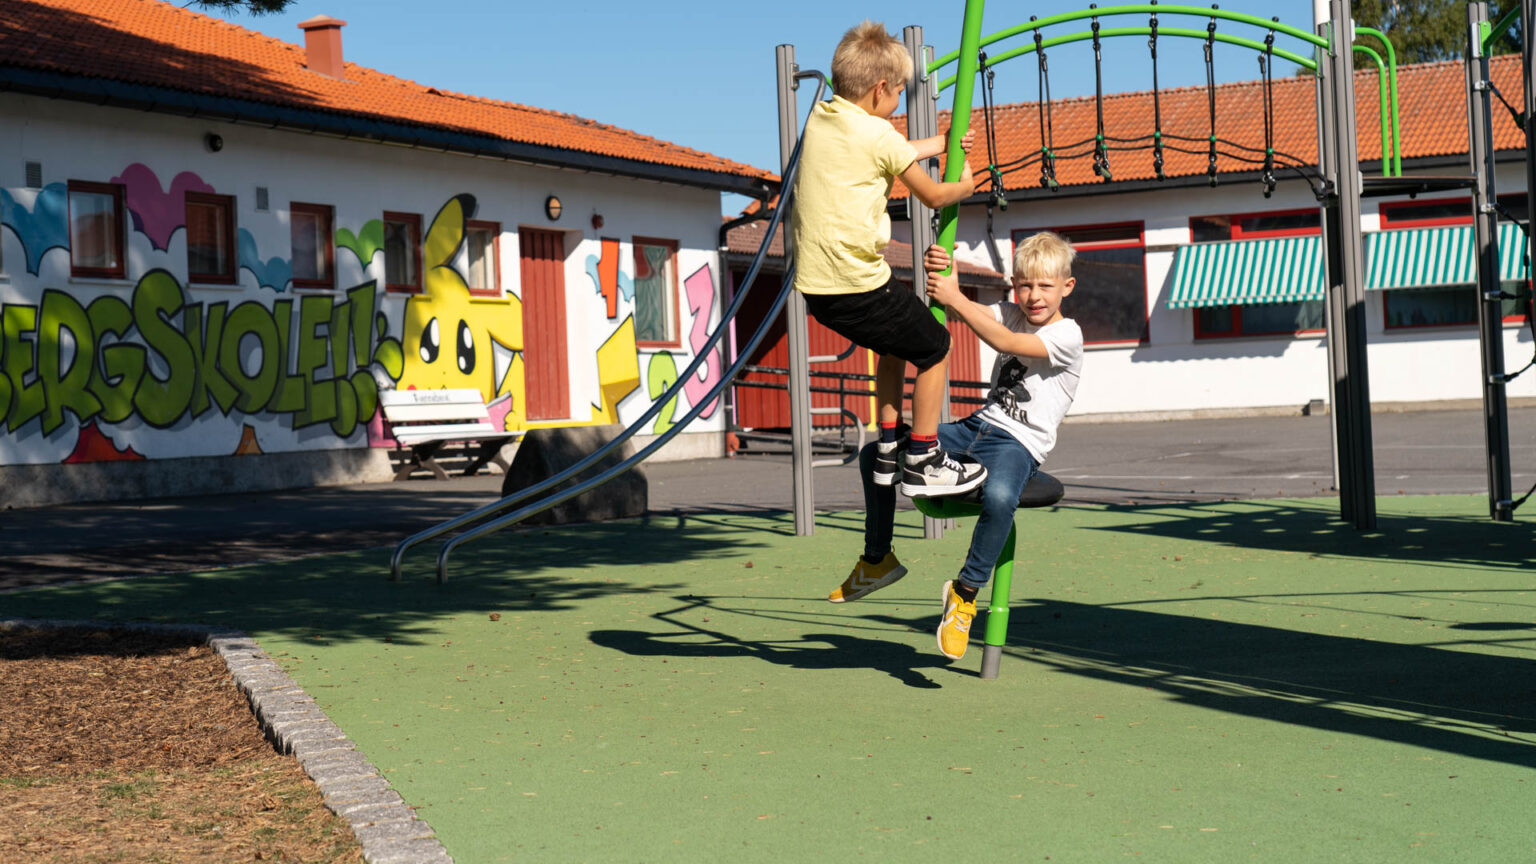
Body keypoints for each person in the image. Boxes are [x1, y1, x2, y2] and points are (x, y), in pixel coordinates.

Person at [828, 235, 1085, 663]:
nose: (1033, 296)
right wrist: (944, 268)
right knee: (877, 454)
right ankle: (878, 558)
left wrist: (954, 297)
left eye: (1044, 286)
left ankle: (964, 594)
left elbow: (1006, 343)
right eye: (1024, 286)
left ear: (1066, 287)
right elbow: (957, 305)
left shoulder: (1067, 334)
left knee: (1002, 497)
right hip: (976, 427)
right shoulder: (1010, 311)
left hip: (1018, 444)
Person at [791, 20, 985, 498]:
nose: (897, 102)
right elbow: (936, 196)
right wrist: (970, 183)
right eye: (897, 93)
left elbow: (882, 151)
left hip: (818, 289)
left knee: (895, 345)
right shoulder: (879, 137)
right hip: (859, 286)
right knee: (936, 348)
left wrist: (936, 145)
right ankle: (924, 456)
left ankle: (888, 445)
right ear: (879, 89)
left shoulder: (822, 116)